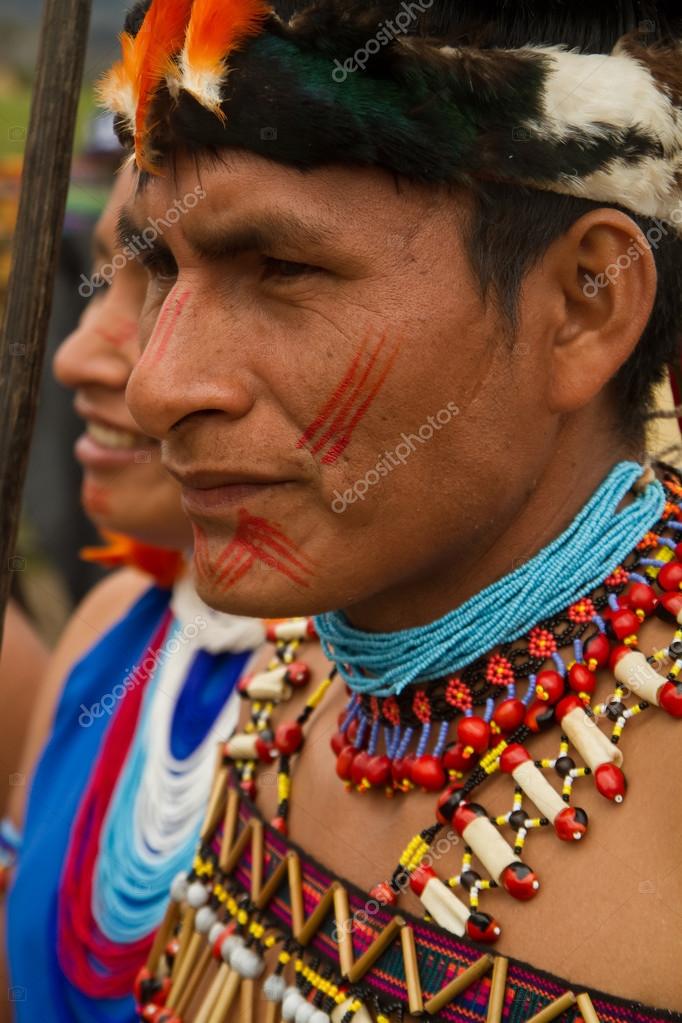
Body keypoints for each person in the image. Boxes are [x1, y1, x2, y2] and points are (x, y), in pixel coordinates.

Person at [105, 0, 682, 1021]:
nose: (156, 386)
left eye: (283, 268)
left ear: (582, 304)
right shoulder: (279, 678)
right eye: (160, 267)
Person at [4, 166, 266, 1023]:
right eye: (108, 277)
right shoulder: (110, 623)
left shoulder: (373, 711)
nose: (75, 356)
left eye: (156, 279)